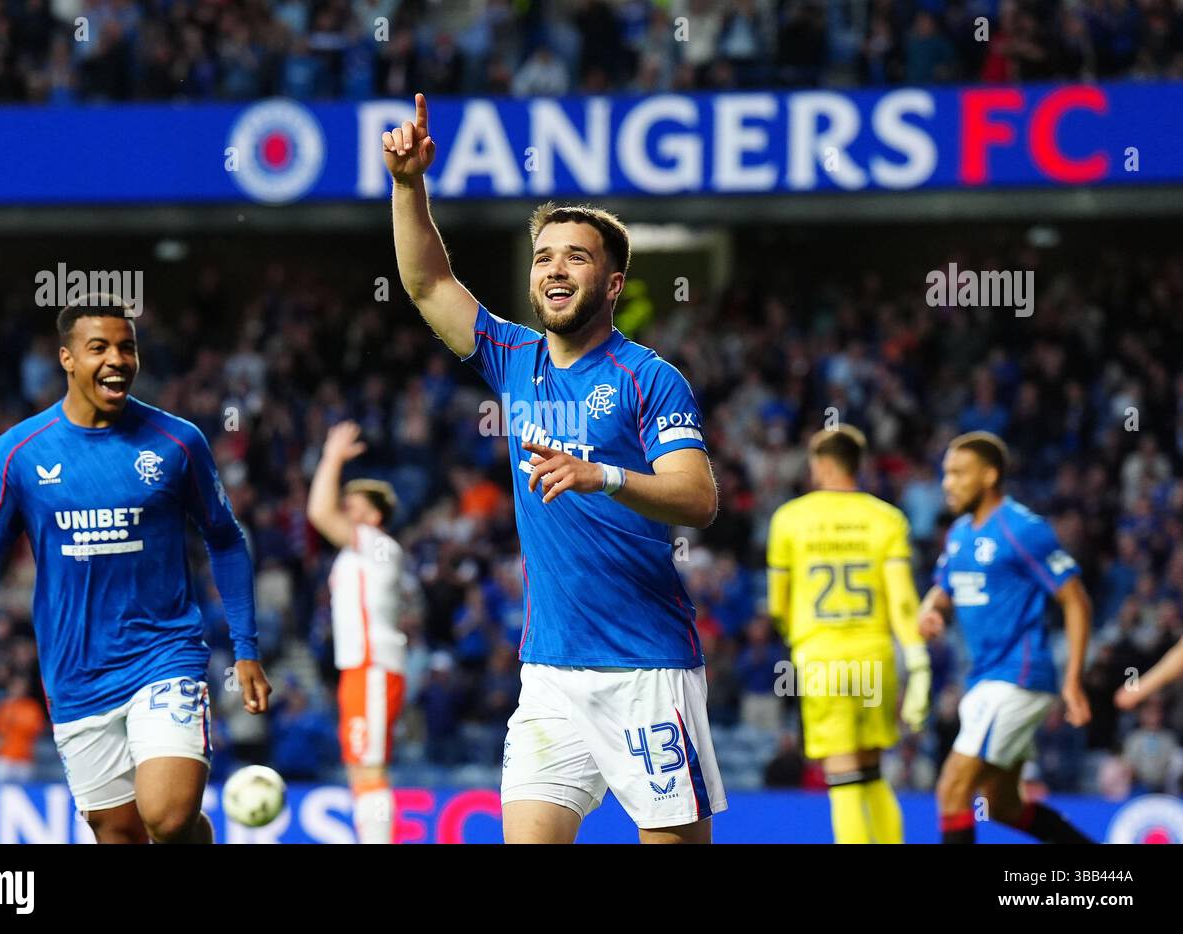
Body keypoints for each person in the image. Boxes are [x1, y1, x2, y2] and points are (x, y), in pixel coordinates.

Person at [385, 93, 725, 843]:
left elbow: (698, 500)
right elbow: (427, 285)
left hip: (646, 668)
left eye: (577, 256)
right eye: (544, 256)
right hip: (551, 674)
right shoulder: (513, 358)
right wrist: (409, 186)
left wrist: (598, 473)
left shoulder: (648, 377)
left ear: (611, 285)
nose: (555, 268)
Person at [0, 295, 271, 844]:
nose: (117, 359)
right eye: (98, 347)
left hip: (164, 654)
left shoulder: (177, 442)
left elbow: (225, 539)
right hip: (75, 672)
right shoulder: (19, 452)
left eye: (127, 347)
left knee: (165, 816)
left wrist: (245, 647)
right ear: (67, 359)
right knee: (119, 833)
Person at [919, 431, 1094, 844]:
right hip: (983, 678)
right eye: (945, 473)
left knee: (952, 788)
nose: (948, 482)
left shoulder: (1022, 528)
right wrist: (931, 609)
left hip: (1019, 675)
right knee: (1002, 805)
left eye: (959, 473)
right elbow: (944, 587)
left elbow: (1076, 602)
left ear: (989, 475)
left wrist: (1072, 681)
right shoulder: (960, 533)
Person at [767, 424, 930, 843]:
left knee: (842, 780)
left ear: (820, 465)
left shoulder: (790, 519)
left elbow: (776, 604)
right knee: (871, 771)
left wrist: (796, 634)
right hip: (874, 656)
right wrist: (918, 661)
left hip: (822, 657)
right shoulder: (886, 518)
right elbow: (903, 601)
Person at [307, 420, 407, 844]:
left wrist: (331, 458)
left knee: (369, 769)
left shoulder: (378, 544)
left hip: (373, 665)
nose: (344, 510)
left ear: (374, 514)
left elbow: (318, 513)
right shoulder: (358, 553)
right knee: (359, 766)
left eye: (353, 504)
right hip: (360, 667)